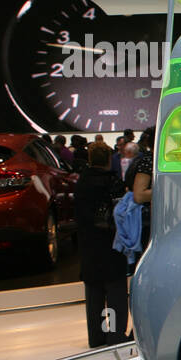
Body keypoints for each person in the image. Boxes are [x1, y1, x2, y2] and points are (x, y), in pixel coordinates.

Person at [73, 142, 130, 347]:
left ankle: (96, 336)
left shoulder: (81, 183)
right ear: (108, 159)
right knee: (114, 291)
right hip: (111, 243)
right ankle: (114, 334)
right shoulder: (113, 182)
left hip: (88, 244)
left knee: (94, 291)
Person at [124, 126, 155, 253]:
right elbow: (139, 195)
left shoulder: (149, 160)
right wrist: (168, 191)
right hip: (147, 221)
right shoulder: (149, 161)